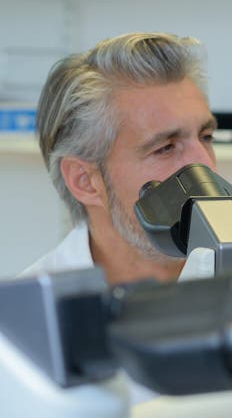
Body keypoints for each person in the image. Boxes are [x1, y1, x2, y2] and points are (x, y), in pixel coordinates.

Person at [22, 32, 218, 284]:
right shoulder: (21, 321)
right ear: (85, 181)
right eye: (166, 148)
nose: (205, 165)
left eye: (206, 137)